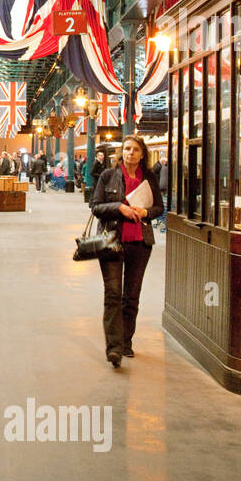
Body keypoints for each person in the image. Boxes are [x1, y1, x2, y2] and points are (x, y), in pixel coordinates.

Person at [91, 135, 163, 368]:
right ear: (122, 152)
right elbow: (96, 207)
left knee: (131, 296)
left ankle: (125, 341)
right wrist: (119, 207)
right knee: (113, 294)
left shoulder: (149, 178)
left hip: (140, 244)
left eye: (135, 149)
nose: (131, 153)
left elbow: (159, 207)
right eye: (127, 149)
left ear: (142, 154)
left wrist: (146, 213)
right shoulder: (108, 176)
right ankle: (113, 348)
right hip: (112, 241)